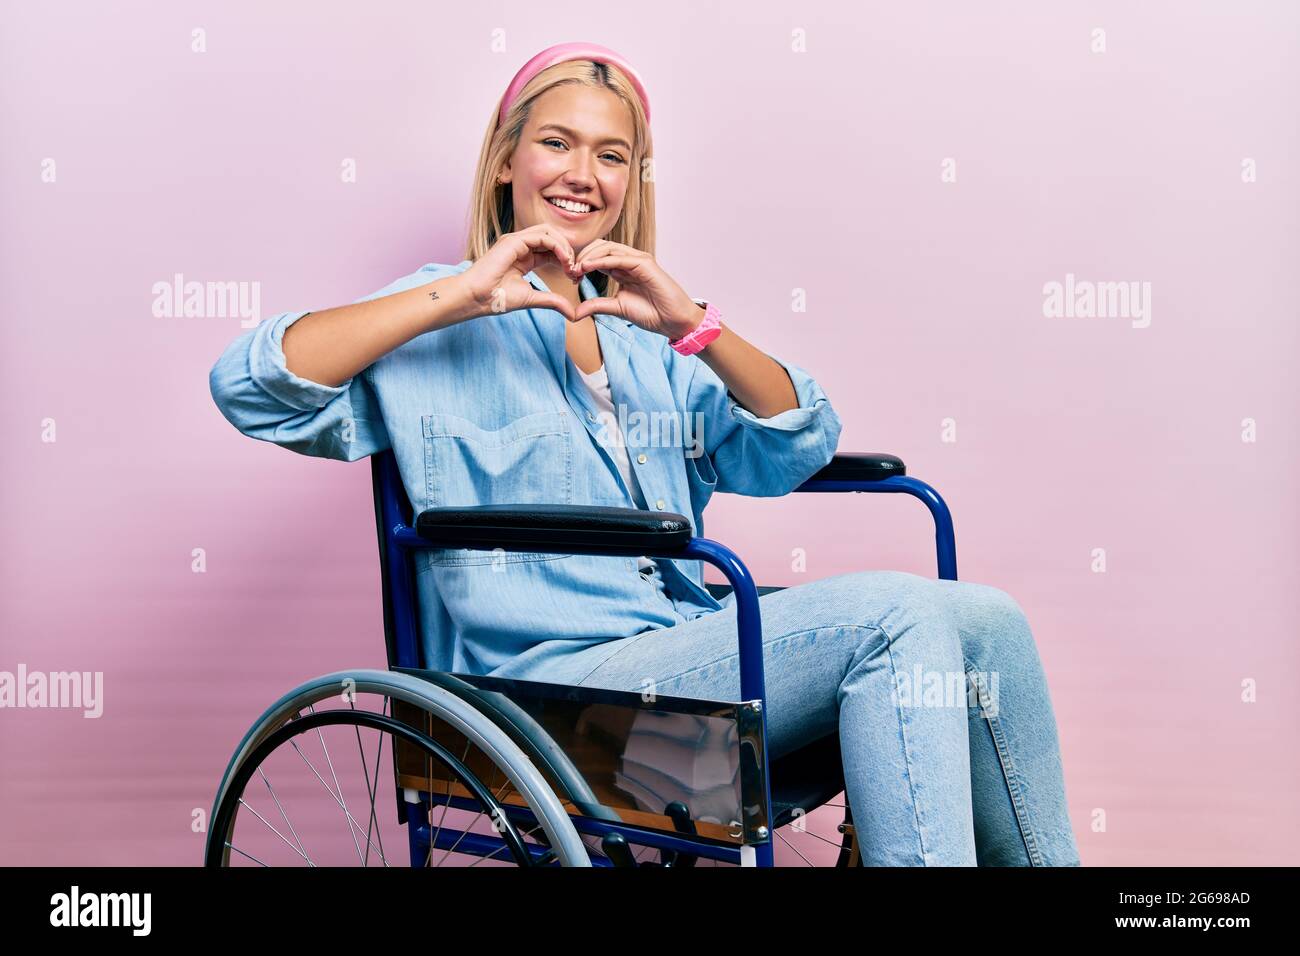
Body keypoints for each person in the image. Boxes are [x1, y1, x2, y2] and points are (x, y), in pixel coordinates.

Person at [208, 42, 1080, 866]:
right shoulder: (430, 321)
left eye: (612, 155)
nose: (583, 174)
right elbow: (252, 388)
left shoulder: (646, 339)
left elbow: (795, 444)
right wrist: (462, 294)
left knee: (985, 617)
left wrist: (696, 327)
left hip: (679, 658)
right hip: (543, 698)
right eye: (557, 143)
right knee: (898, 616)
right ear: (507, 161)